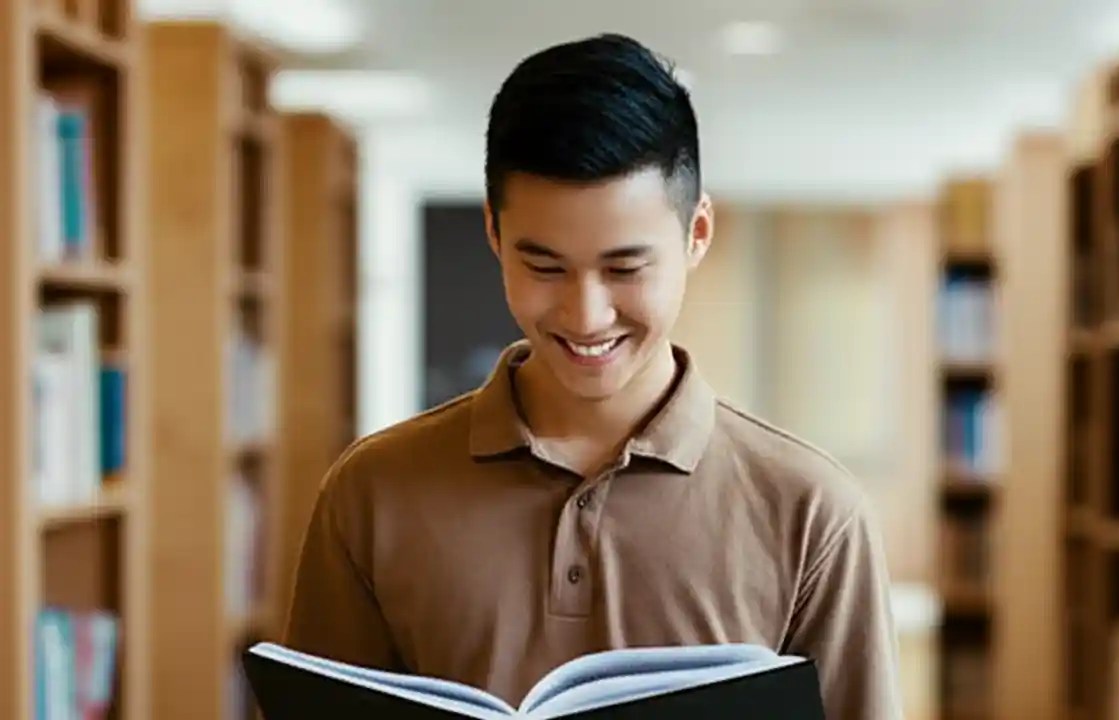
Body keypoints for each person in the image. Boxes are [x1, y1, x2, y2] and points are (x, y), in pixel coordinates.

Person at [283, 32, 902, 720]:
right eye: (545, 266)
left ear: (696, 234)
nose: (586, 314)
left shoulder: (812, 514)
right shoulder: (371, 494)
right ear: (493, 232)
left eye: (625, 268)